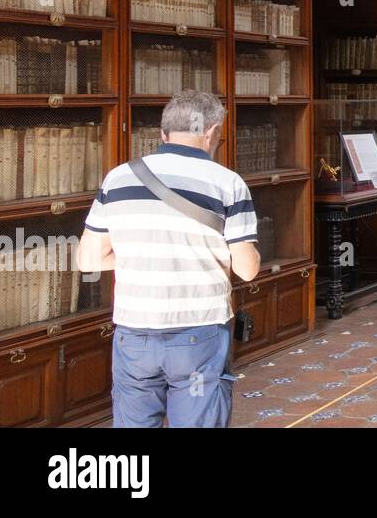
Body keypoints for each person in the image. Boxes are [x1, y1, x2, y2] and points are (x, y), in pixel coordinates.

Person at [76, 90, 260, 428]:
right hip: (197, 336)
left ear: (163, 134)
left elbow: (89, 258)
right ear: (212, 132)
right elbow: (247, 270)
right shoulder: (228, 184)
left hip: (135, 334)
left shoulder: (118, 178)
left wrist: (142, 253)